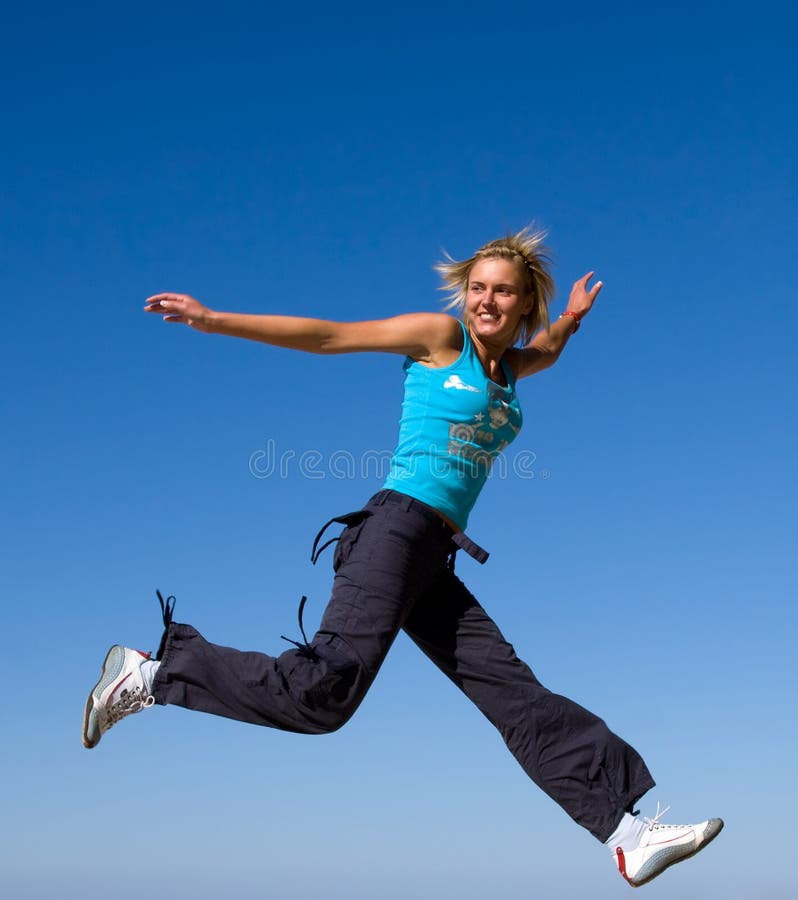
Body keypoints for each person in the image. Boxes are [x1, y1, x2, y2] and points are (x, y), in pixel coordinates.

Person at [82, 227, 722, 887]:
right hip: (391, 532)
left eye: (503, 292)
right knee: (324, 694)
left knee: (511, 690)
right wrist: (215, 320)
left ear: (523, 301)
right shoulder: (440, 340)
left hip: (434, 556)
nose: (486, 302)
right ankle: (152, 675)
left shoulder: (511, 369)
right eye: (478, 288)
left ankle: (625, 832)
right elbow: (328, 335)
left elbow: (547, 351)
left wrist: (568, 322)